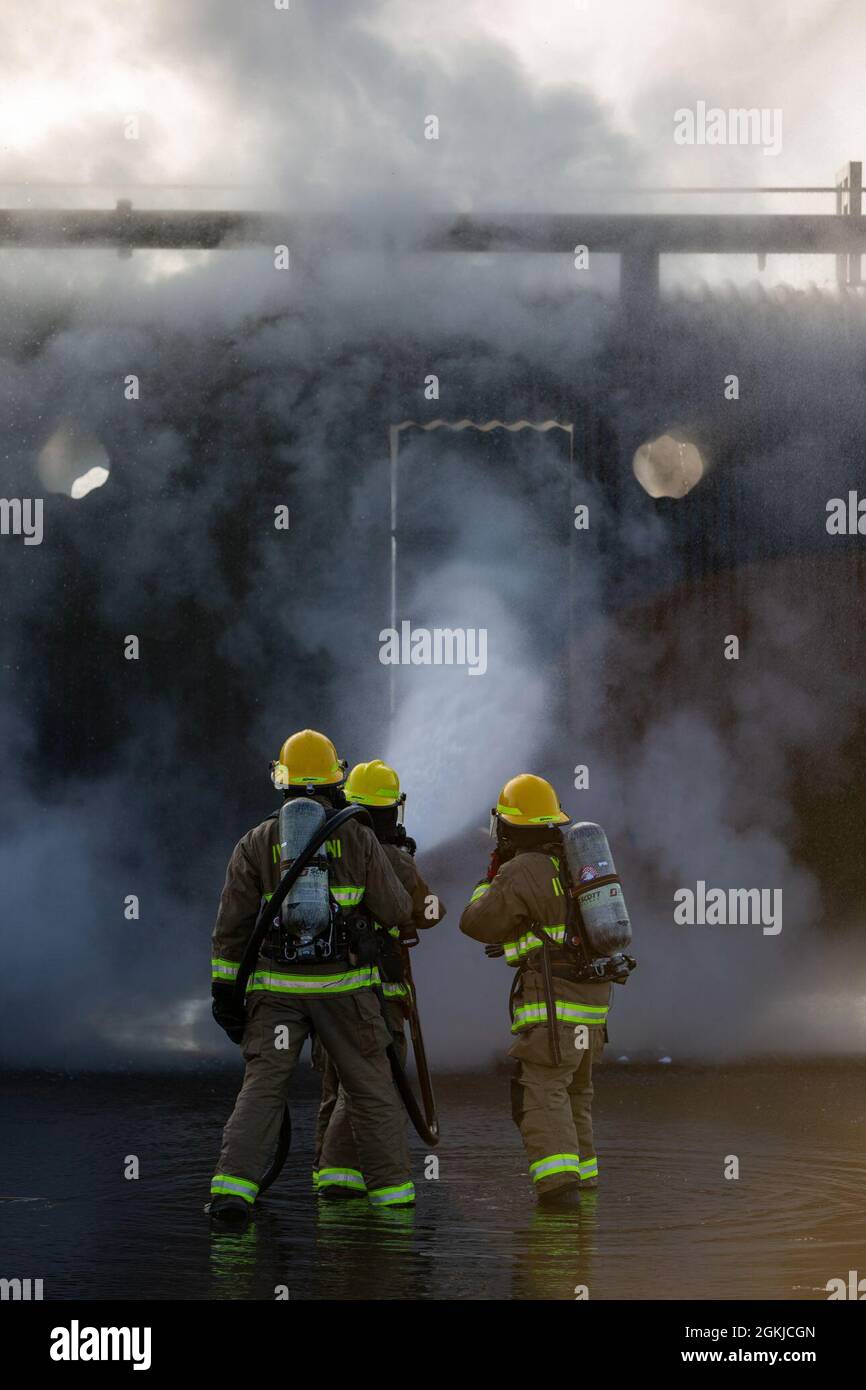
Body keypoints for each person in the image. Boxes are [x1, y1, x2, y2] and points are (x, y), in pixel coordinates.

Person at [208, 730, 416, 1225]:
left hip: (276, 995)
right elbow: (396, 909)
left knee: (263, 1087)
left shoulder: (255, 843)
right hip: (345, 993)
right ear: (334, 780)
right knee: (370, 1088)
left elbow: (231, 930)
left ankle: (232, 1192)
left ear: (281, 780)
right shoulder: (358, 836)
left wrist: (225, 994)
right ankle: (393, 1202)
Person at [459, 773, 610, 1207]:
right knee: (575, 1092)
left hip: (554, 1007)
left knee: (540, 1090)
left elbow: (475, 921)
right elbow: (552, 931)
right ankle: (583, 1184)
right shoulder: (574, 861)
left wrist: (490, 880)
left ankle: (558, 1190)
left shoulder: (523, 869)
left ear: (508, 827)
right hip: (592, 1008)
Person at [313, 760, 445, 1197]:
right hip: (379, 998)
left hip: (330, 993)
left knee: (336, 1085)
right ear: (394, 810)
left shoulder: (330, 853)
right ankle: (341, 1178)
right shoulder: (393, 861)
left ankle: (332, 1176)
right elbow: (429, 913)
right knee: (370, 1082)